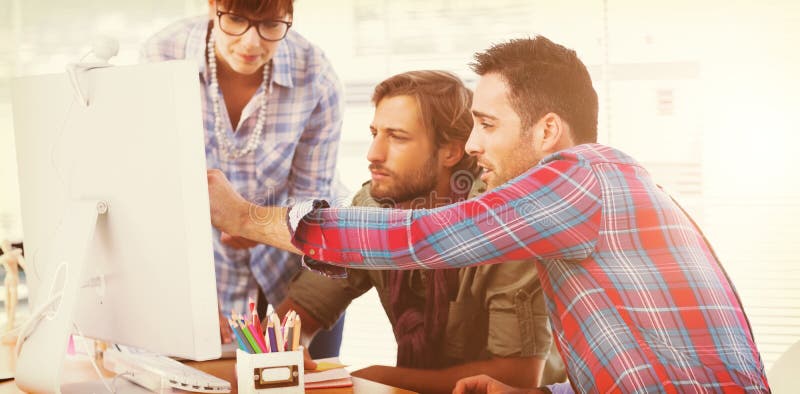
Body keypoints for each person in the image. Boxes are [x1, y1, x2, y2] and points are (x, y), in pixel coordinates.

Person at [206, 36, 769, 392]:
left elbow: (419, 239)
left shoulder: (582, 176)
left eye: (488, 125)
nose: (473, 145)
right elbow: (626, 366)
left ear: (548, 130)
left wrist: (244, 217)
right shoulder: (590, 200)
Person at [278, 70, 563, 393]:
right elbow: (302, 310)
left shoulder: (505, 223)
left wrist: (379, 378)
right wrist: (287, 346)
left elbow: (517, 377)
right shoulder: (372, 207)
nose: (373, 154)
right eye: (375, 133)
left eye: (397, 137)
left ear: (451, 152)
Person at [141, 0, 345, 355]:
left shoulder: (316, 76)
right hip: (204, 268)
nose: (251, 42)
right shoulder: (162, 58)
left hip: (294, 266)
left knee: (307, 374)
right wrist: (189, 295)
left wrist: (253, 223)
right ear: (212, 7)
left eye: (270, 24)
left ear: (290, 17)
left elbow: (311, 202)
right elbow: (152, 189)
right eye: (235, 19)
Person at [0, 239, 25, 334]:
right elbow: (3, 259)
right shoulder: (7, 256)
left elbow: (23, 264)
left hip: (13, 279)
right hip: (7, 279)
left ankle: (11, 323)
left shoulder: (15, 255)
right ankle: (9, 322)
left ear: (9, 246)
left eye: (6, 245)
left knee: (13, 302)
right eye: (3, 246)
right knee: (7, 303)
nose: (5, 248)